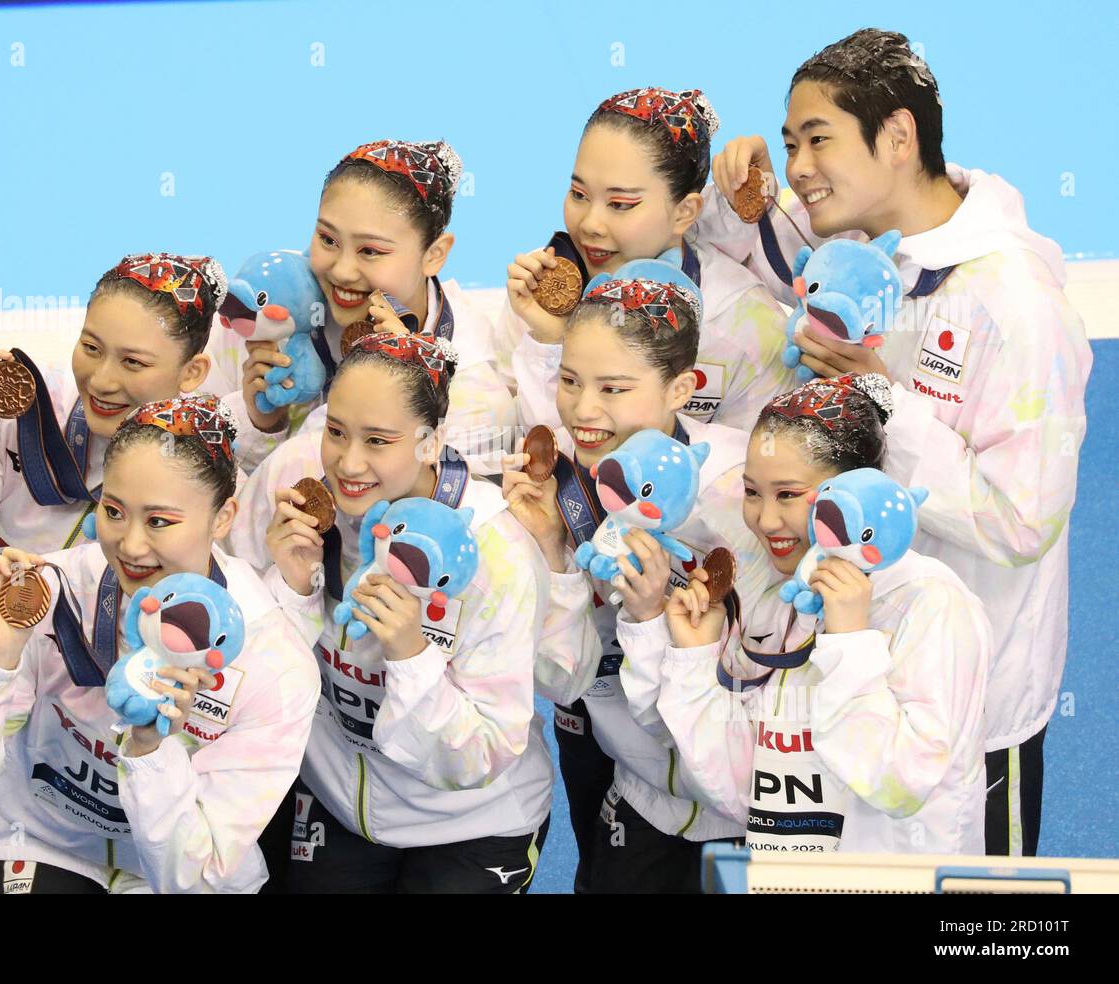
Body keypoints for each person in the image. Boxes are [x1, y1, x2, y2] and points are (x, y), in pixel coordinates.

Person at [702, 28, 1091, 855]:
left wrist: (882, 394)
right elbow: (749, 247)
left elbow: (1022, 522)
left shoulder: (1014, 302)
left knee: (972, 941)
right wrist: (737, 188)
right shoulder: (854, 253)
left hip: (967, 715)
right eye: (788, 143)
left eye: (817, 140)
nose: (798, 166)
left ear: (900, 136)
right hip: (844, 679)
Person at [0, 252, 226, 892]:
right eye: (91, 346)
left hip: (103, 749)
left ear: (193, 372)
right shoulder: (17, 415)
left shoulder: (204, 472)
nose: (103, 378)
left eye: (135, 362)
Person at [0, 395, 319, 892]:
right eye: (114, 512)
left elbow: (192, 879)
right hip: (45, 843)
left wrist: (150, 749)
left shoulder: (273, 663)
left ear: (223, 517)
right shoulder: (47, 594)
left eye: (160, 521)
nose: (132, 545)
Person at [227, 333, 551, 892]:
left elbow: (485, 751)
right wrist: (290, 587)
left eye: (379, 440)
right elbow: (244, 681)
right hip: (339, 804)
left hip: (473, 821)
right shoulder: (294, 488)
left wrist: (411, 655)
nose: (348, 463)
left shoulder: (495, 551)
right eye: (335, 431)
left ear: (431, 442)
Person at [621, 375, 990, 854]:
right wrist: (694, 661)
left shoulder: (931, 604)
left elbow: (900, 784)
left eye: (789, 495)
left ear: (860, 489)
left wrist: (850, 644)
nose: (765, 520)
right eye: (752, 492)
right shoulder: (785, 601)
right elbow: (740, 792)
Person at [502, 278, 764, 892]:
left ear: (682, 389)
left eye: (613, 389)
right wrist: (551, 554)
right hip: (638, 790)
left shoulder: (739, 489)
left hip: (750, 801)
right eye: (569, 381)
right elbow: (560, 677)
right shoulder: (551, 479)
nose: (583, 411)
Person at [497, 86, 794, 431]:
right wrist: (549, 343)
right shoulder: (538, 288)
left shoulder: (741, 322)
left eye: (621, 204)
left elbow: (759, 470)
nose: (590, 224)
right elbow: (525, 450)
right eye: (579, 194)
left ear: (685, 212)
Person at [212, 139, 515, 475]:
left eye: (370, 251)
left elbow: (433, 514)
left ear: (434, 254)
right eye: (328, 239)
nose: (341, 271)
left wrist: (402, 380)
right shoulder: (270, 312)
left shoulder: (474, 391)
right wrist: (263, 423)